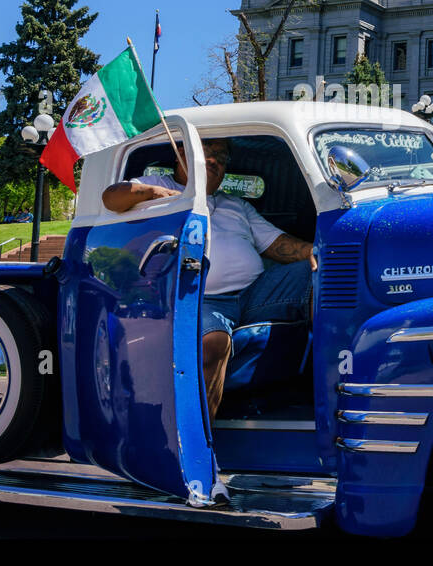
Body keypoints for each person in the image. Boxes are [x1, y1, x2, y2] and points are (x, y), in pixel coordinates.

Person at [102, 137, 315, 419]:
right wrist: (154, 193)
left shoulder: (236, 205)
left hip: (256, 292)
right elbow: (111, 198)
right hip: (203, 299)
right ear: (182, 153)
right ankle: (201, 447)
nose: (215, 161)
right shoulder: (159, 186)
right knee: (212, 342)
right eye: (207, 152)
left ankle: (319, 394)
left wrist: (320, 251)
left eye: (222, 157)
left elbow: (279, 246)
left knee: (320, 274)